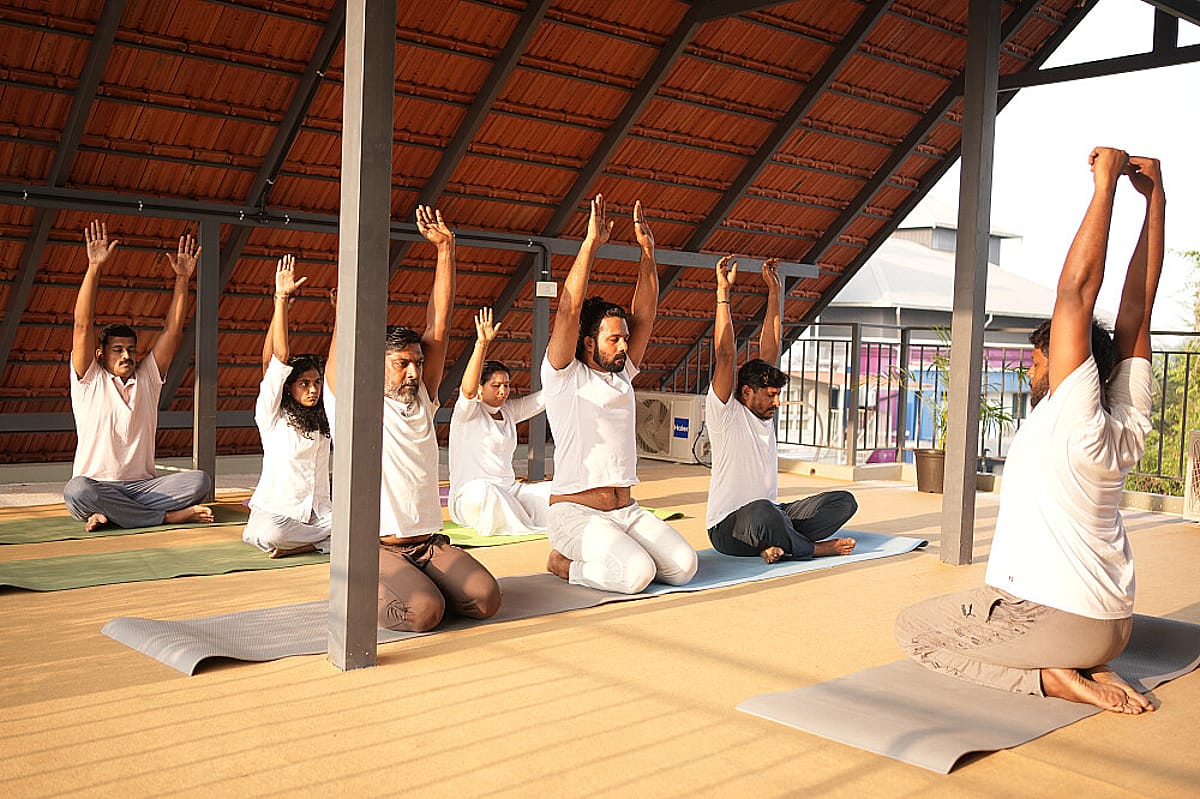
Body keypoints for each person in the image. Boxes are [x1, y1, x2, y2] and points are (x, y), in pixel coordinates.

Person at [894, 148, 1164, 714]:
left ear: (1071, 365)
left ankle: (1051, 680)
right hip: (1114, 626)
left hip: (1055, 621)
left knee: (914, 629)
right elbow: (1138, 310)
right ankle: (1080, 663)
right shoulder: (1127, 419)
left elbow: (1076, 294)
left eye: (1039, 359)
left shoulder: (1075, 415)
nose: (1032, 368)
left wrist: (1106, 186)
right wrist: (1155, 199)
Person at [325, 206, 501, 632]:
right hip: (375, 547)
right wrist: (344, 315)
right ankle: (367, 586)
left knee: (486, 598)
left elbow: (438, 323)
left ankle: (419, 582)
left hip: (427, 545)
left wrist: (446, 251)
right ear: (375, 364)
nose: (413, 372)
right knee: (423, 612)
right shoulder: (352, 403)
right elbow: (339, 356)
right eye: (401, 363)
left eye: (417, 363)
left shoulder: (423, 396)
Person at [542, 194, 698, 594]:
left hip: (625, 510)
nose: (626, 346)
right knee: (635, 575)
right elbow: (568, 311)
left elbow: (646, 312)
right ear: (590, 343)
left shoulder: (622, 374)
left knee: (683, 567)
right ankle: (563, 565)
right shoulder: (564, 376)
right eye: (615, 339)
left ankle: (618, 551)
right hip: (575, 514)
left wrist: (648, 253)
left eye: (626, 339)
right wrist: (591, 244)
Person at [705, 255, 857, 563]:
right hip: (728, 528)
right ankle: (810, 549)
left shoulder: (763, 410)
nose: (777, 402)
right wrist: (723, 294)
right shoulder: (725, 413)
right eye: (771, 395)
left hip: (771, 514)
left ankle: (776, 545)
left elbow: (771, 344)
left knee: (844, 502)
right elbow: (724, 353)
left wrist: (775, 291)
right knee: (763, 511)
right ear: (746, 392)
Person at [63, 220, 213, 531]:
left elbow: (173, 330)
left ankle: (113, 515)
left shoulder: (146, 378)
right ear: (101, 354)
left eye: (131, 349)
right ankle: (164, 517)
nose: (127, 356)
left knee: (200, 481)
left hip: (143, 488)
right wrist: (94, 267)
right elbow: (82, 324)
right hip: (97, 486)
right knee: (78, 490)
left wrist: (183, 278)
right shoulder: (89, 380)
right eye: (118, 350)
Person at [242, 254, 332, 558]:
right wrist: (280, 299)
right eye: (304, 383)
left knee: (370, 525)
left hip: (319, 513)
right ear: (289, 387)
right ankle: (317, 543)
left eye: (316, 383)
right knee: (269, 533)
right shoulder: (272, 416)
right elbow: (275, 359)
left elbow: (337, 368)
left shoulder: (325, 419)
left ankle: (307, 544)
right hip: (277, 512)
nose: (313, 389)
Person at [448, 307, 550, 535]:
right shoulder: (468, 413)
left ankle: (521, 517)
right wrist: (481, 344)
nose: (503, 391)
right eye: (496, 386)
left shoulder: (509, 411)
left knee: (553, 491)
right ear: (481, 390)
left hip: (510, 491)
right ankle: (522, 522)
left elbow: (544, 398)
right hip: (470, 499)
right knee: (484, 492)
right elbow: (467, 389)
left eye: (506, 385)